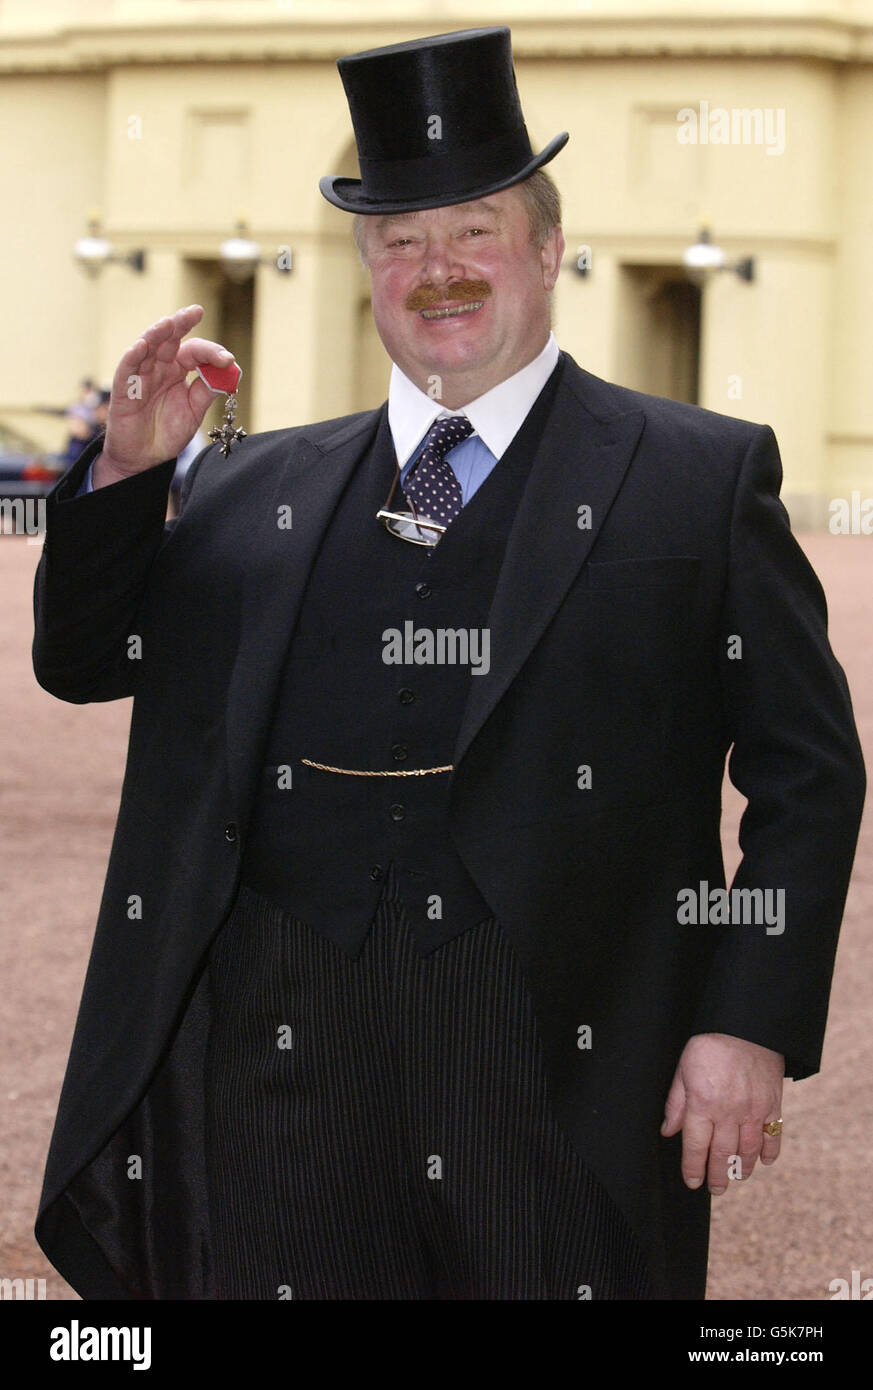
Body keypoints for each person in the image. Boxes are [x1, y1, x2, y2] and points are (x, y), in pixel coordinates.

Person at [33, 27, 864, 1301]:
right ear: (364, 267)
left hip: (557, 1071)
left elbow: (808, 774)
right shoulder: (259, 483)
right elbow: (90, 661)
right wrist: (131, 477)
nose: (437, 271)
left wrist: (746, 1015)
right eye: (400, 241)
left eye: (474, 231)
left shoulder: (699, 475)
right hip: (281, 1074)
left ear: (546, 251)